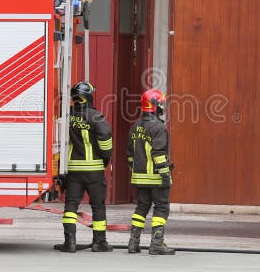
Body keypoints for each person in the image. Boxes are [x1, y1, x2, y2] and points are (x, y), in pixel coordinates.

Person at [55, 81, 114, 253]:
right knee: (98, 206)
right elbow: (105, 138)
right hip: (94, 169)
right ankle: (99, 242)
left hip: (73, 169)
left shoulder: (68, 116)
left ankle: (70, 242)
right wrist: (105, 159)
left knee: (71, 205)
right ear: (89, 96)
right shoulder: (96, 116)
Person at [126, 88, 175, 255]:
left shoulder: (135, 127)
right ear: (155, 105)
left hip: (140, 178)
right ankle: (157, 244)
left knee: (141, 208)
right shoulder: (158, 128)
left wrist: (136, 171)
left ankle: (133, 243)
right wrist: (165, 175)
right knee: (161, 208)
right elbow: (158, 154)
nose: (163, 106)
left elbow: (130, 155)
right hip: (155, 177)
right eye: (161, 103)